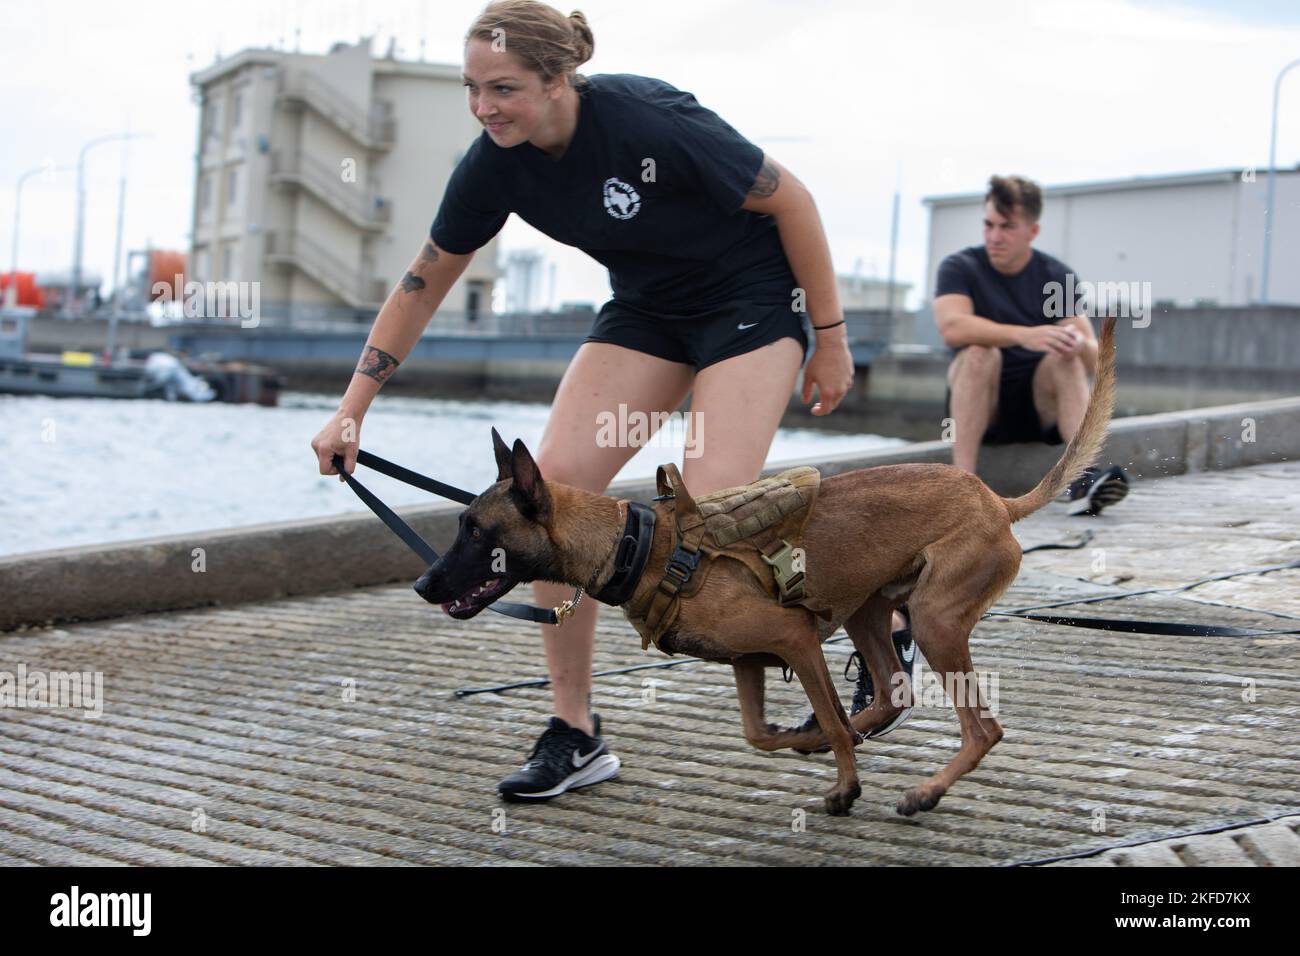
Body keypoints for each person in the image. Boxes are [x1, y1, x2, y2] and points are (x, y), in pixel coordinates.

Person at [313, 0, 907, 801]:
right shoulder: (495, 161)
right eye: (472, 88)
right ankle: (576, 731)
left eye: (504, 89)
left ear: (560, 82)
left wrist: (831, 337)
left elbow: (792, 199)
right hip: (647, 312)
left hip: (749, 301)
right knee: (547, 503)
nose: (484, 107)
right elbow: (423, 281)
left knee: (717, 513)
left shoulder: (651, 121)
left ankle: (886, 624)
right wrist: (354, 407)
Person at [933, 174, 1129, 516]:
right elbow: (952, 328)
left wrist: (1075, 343)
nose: (994, 237)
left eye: (1006, 227)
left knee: (1066, 360)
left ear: (1032, 231)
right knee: (980, 352)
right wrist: (1026, 334)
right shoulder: (960, 267)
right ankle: (962, 485)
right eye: (989, 225)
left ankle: (1084, 479)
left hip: (1039, 410)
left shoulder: (1056, 276)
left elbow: (1093, 357)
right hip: (982, 403)